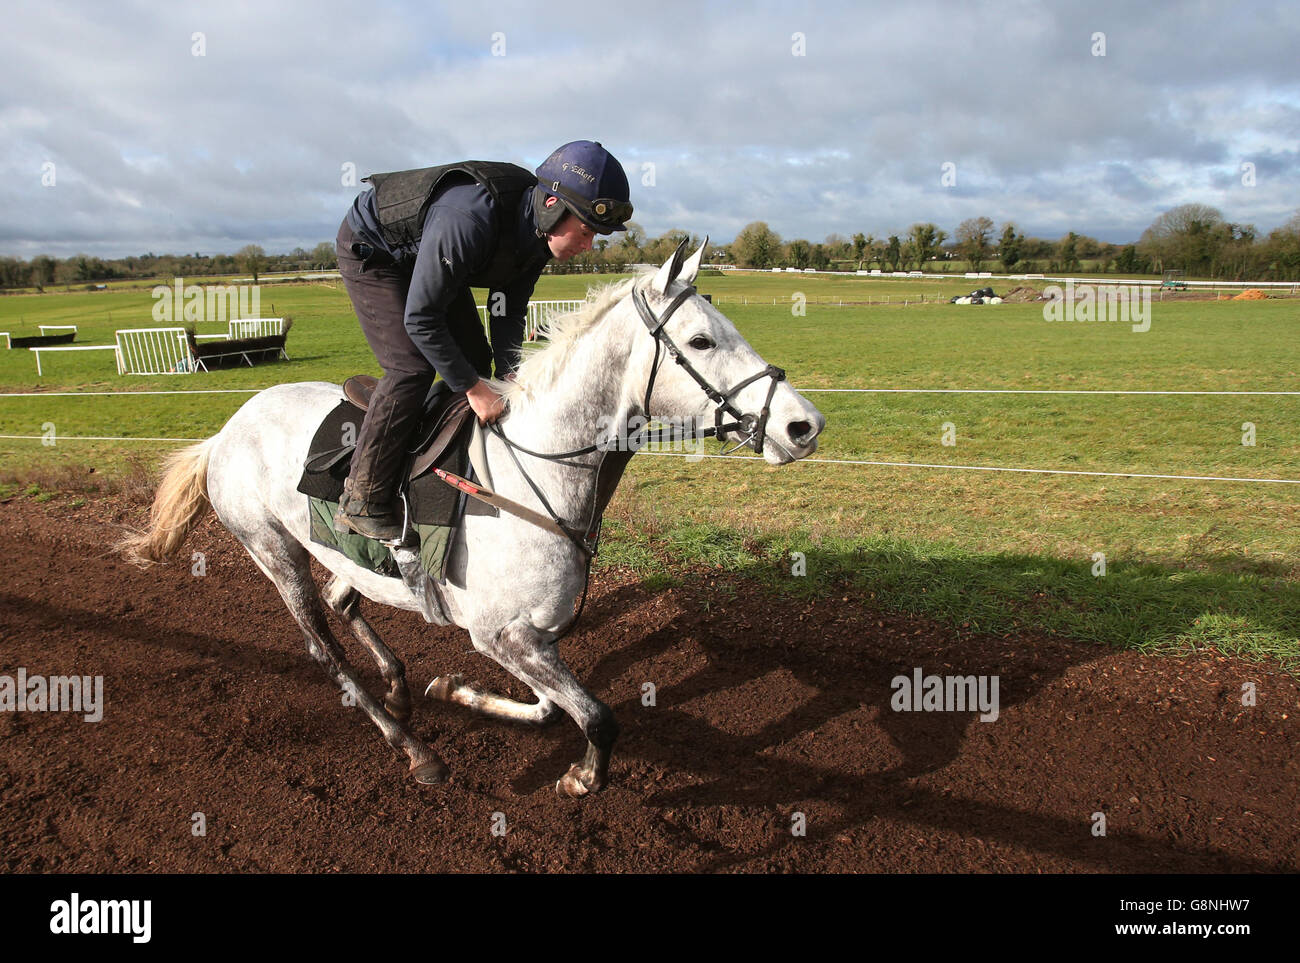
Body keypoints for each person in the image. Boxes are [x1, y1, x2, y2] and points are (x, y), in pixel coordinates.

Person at [332, 141, 633, 540]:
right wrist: (474, 389)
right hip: (376, 253)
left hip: (424, 251)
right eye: (587, 230)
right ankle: (361, 498)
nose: (589, 245)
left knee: (474, 357)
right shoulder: (471, 218)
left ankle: (438, 451)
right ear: (552, 206)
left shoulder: (536, 238)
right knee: (412, 367)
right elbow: (421, 318)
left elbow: (507, 309)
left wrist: (510, 377)